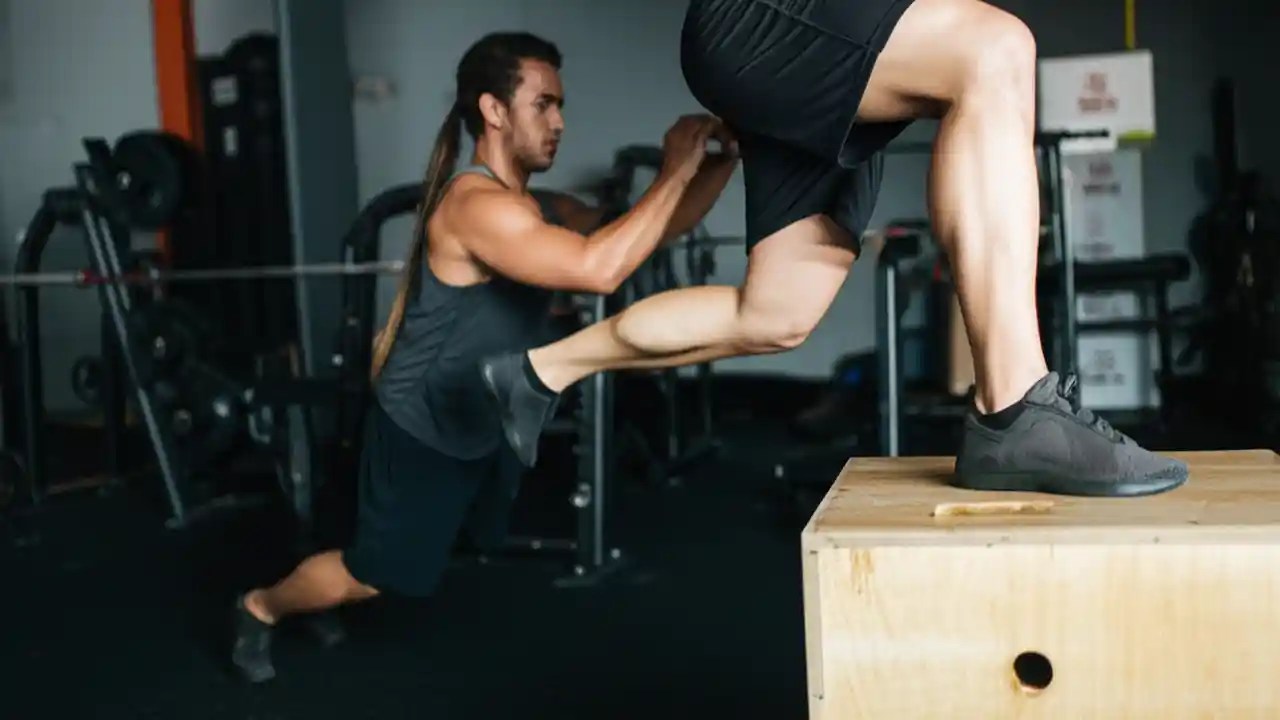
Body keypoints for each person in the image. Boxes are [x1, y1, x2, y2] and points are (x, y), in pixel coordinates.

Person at [480, 0, 1190, 498]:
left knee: (776, 312)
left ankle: (537, 372)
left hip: (822, 42)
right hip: (772, 16)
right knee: (994, 50)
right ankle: (1014, 409)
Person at [230, 31, 738, 683]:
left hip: (480, 412)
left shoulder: (538, 205)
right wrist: (675, 167)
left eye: (561, 106)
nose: (559, 122)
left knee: (425, 546)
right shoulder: (478, 206)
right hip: (422, 423)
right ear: (494, 110)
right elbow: (600, 270)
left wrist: (718, 165)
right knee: (377, 575)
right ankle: (262, 607)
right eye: (543, 105)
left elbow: (652, 229)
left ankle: (318, 584)